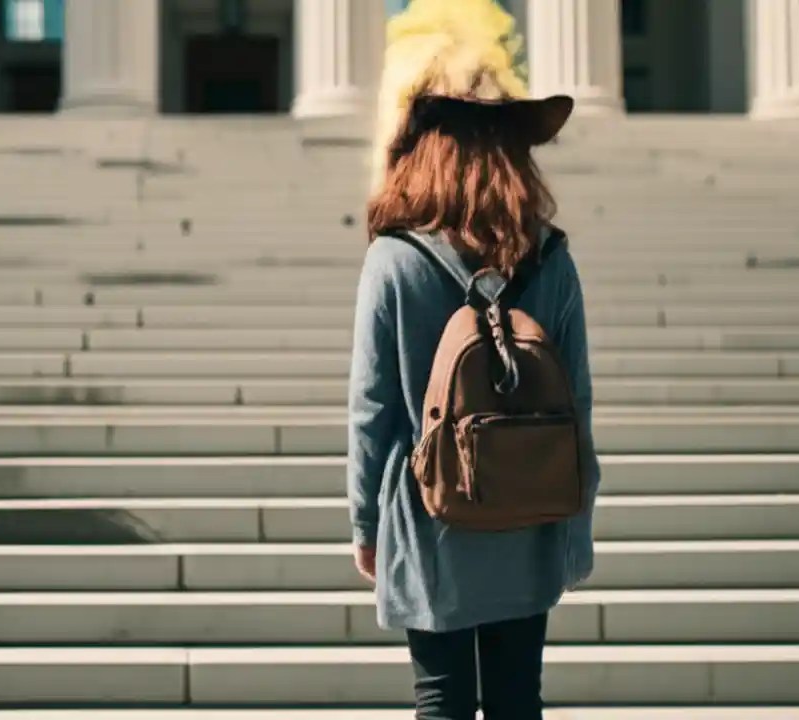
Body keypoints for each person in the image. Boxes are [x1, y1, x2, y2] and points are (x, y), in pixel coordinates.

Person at [347, 1, 601, 718]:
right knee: (519, 696)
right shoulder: (550, 257)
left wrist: (367, 527)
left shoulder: (394, 260)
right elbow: (576, 400)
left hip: (432, 515)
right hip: (530, 502)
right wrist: (575, 523)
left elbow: (373, 410)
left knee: (442, 696)